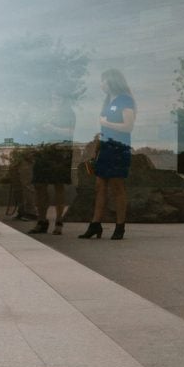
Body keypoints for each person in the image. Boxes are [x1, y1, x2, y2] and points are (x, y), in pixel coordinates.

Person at [79, 69, 135, 240]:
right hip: (105, 148)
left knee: (117, 187)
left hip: (118, 148)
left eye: (103, 81)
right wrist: (97, 147)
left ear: (112, 81)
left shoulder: (125, 100)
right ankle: (95, 224)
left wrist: (106, 122)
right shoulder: (108, 101)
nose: (101, 84)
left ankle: (120, 226)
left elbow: (128, 126)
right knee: (100, 186)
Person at [26, 88, 75, 235]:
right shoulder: (45, 112)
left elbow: (69, 133)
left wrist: (52, 128)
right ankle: (42, 221)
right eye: (54, 96)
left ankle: (59, 221)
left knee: (59, 186)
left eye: (58, 96)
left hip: (60, 153)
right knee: (39, 185)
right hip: (44, 151)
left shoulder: (68, 113)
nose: (56, 99)